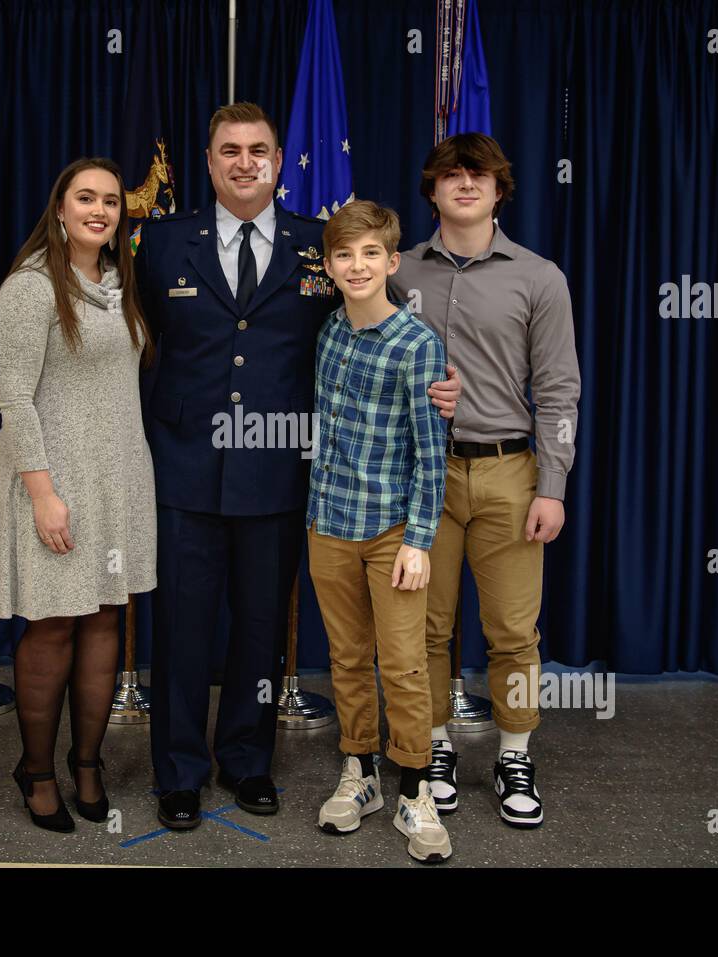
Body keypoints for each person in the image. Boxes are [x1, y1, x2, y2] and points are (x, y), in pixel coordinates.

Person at [132, 103, 461, 830]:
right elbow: (138, 339)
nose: (244, 162)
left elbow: (379, 309)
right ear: (210, 160)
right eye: (229, 151)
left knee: (258, 630)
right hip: (185, 470)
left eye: (258, 150)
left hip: (278, 473)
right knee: (183, 631)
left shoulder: (319, 245)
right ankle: (180, 771)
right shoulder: (159, 244)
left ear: (279, 161)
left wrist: (440, 380)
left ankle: (248, 760)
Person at [387, 133, 581, 828]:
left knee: (513, 630)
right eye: (451, 174)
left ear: (501, 190)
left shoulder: (539, 278)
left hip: (508, 471)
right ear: (431, 189)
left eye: (479, 175)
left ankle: (515, 751)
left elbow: (559, 388)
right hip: (422, 474)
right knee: (425, 627)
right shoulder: (396, 272)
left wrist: (552, 483)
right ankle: (433, 745)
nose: (465, 184)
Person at [0, 157, 157, 832]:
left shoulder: (120, 282)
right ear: (60, 208)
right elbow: (15, 399)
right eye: (85, 197)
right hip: (52, 482)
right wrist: (44, 494)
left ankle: (88, 762)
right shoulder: (31, 288)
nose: (100, 209)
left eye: (111, 201)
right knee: (53, 623)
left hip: (119, 483)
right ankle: (36, 768)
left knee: (106, 620)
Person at [307, 200, 451, 863]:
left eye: (370, 254)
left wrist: (420, 539)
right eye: (344, 254)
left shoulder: (418, 344)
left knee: (404, 662)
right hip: (328, 525)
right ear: (329, 265)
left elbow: (430, 451)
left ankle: (415, 788)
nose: (356, 265)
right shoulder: (329, 332)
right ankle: (360, 771)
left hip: (393, 531)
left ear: (393, 262)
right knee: (347, 656)